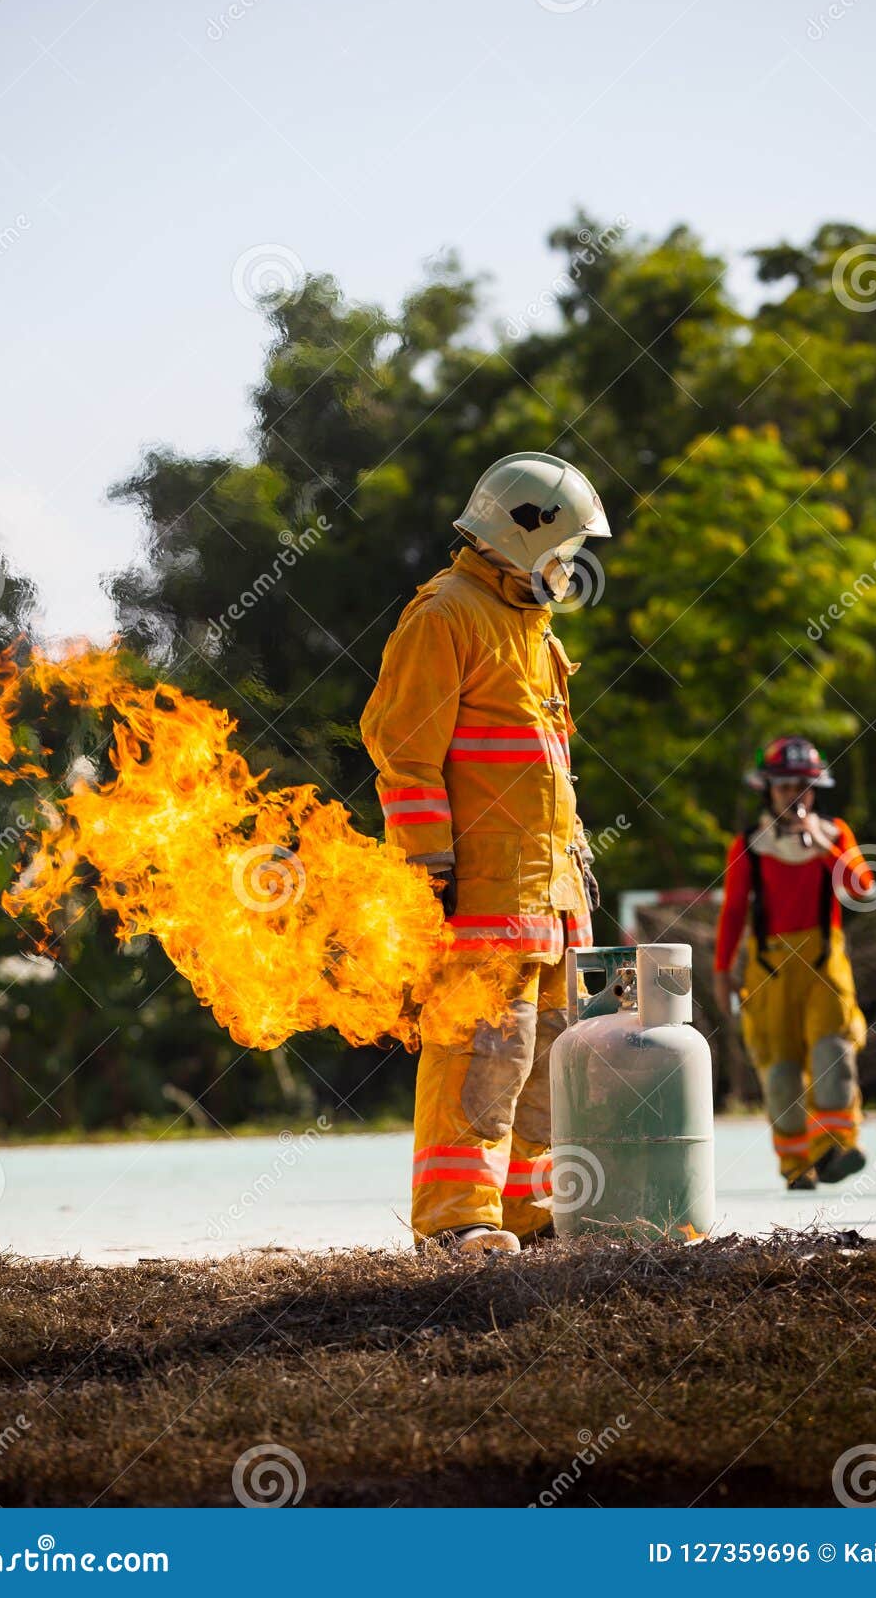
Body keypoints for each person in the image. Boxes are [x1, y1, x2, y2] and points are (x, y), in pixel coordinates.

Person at [360, 452, 609, 1257]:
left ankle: (527, 1214)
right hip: (480, 892)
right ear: (524, 534)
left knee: (542, 1060)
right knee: (479, 1051)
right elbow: (404, 754)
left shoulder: (533, 629)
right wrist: (430, 870)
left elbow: (548, 775)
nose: (570, 566)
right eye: (565, 547)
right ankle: (455, 1219)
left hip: (548, 896)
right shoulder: (445, 615)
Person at [713, 736, 874, 1190]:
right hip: (769, 972)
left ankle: (837, 1149)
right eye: (784, 788)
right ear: (768, 790)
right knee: (780, 1072)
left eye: (802, 788)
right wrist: (723, 971)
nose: (794, 796)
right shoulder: (749, 845)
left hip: (824, 965)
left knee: (832, 1054)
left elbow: (862, 889)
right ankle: (796, 1165)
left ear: (814, 790)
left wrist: (827, 847)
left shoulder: (835, 834)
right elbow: (733, 913)